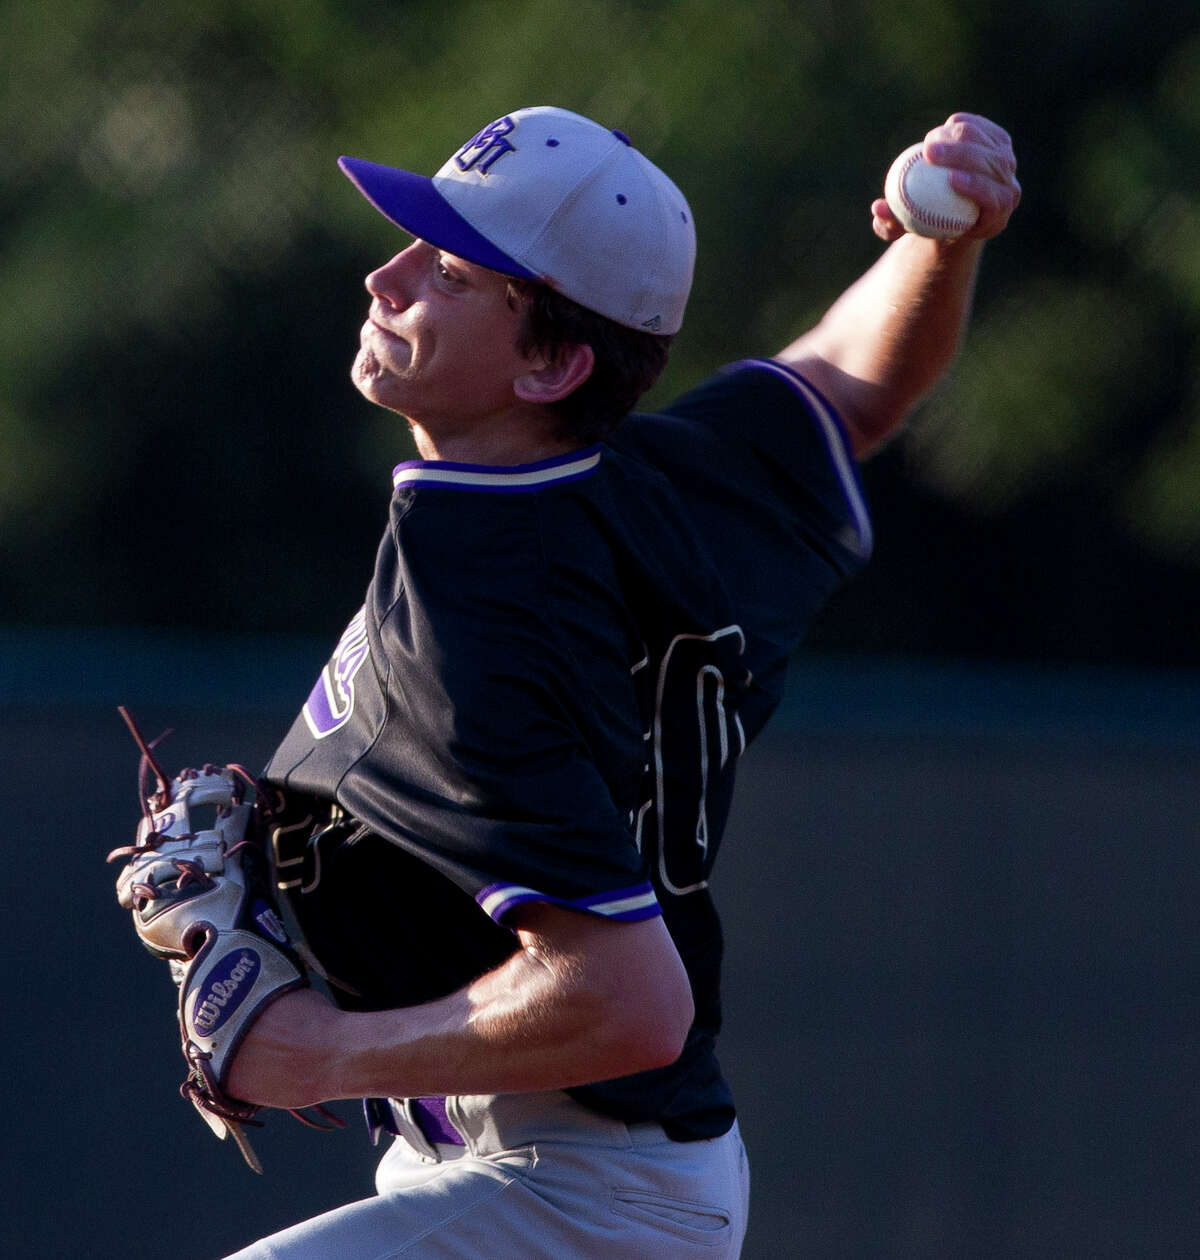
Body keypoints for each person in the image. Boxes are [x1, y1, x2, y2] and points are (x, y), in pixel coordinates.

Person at [219, 105, 1020, 1258]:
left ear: (551, 362)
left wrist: (319, 1055)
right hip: (555, 1174)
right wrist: (944, 243)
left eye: (449, 271)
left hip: (573, 1190)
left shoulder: (479, 614)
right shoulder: (670, 481)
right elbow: (855, 385)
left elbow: (631, 1003)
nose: (385, 278)